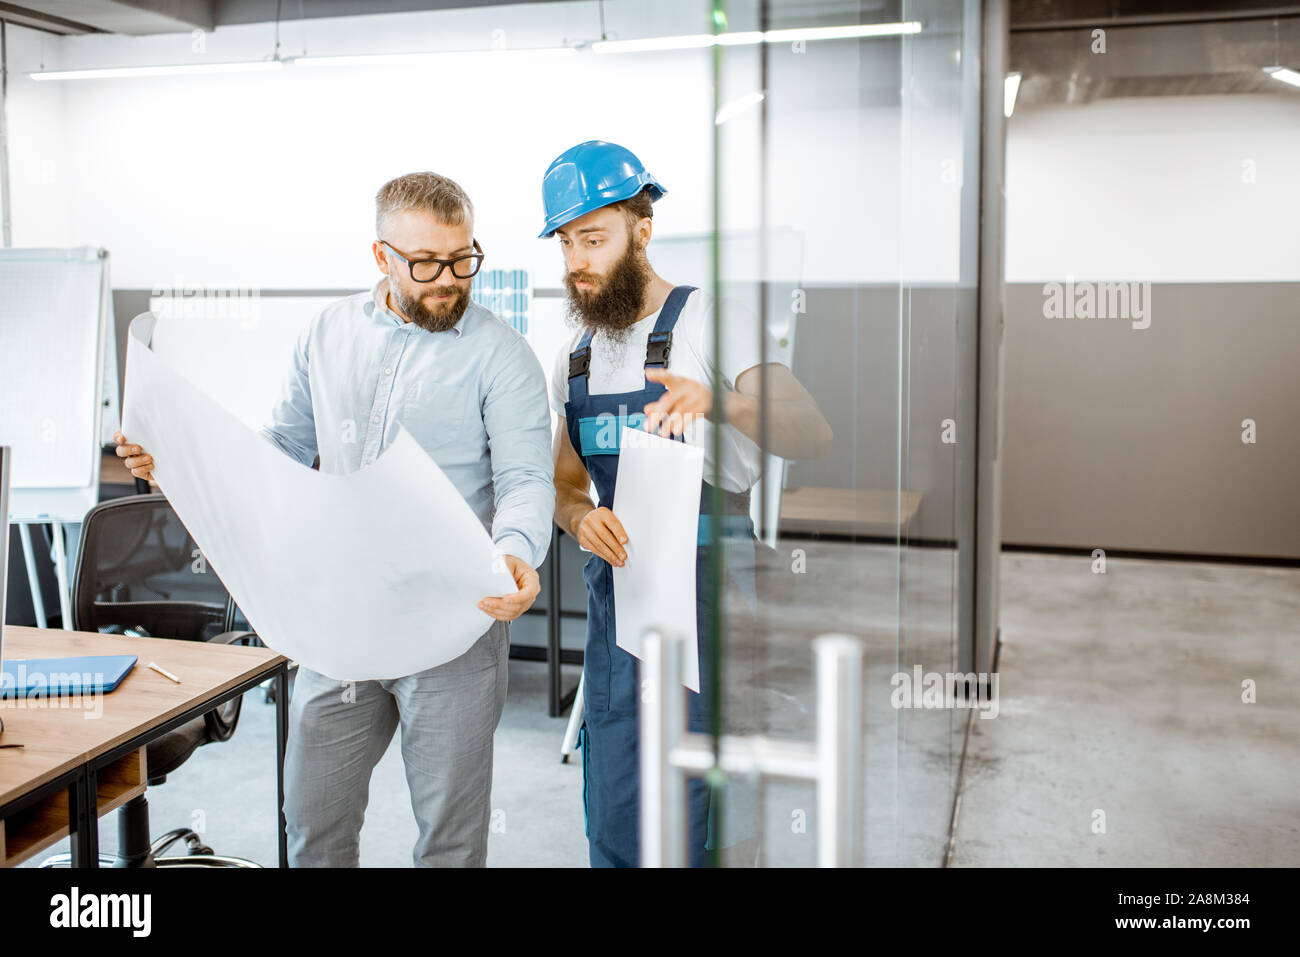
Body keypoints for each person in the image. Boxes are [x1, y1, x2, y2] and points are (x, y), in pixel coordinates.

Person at [114, 171, 554, 867]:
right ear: (381, 257)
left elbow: (525, 478)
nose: (450, 278)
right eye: (427, 263)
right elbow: (284, 447)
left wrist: (517, 547)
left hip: (455, 624)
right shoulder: (328, 331)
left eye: (464, 258)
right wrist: (174, 457)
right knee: (314, 821)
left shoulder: (501, 353)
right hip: (341, 619)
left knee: (450, 838)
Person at [543, 141, 832, 867]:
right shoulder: (574, 353)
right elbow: (564, 483)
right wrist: (580, 516)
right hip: (619, 610)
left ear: (641, 229)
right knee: (614, 802)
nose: (577, 259)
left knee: (709, 812)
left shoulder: (709, 320)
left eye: (594, 237)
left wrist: (723, 401)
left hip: (713, 597)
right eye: (567, 241)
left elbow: (811, 431)